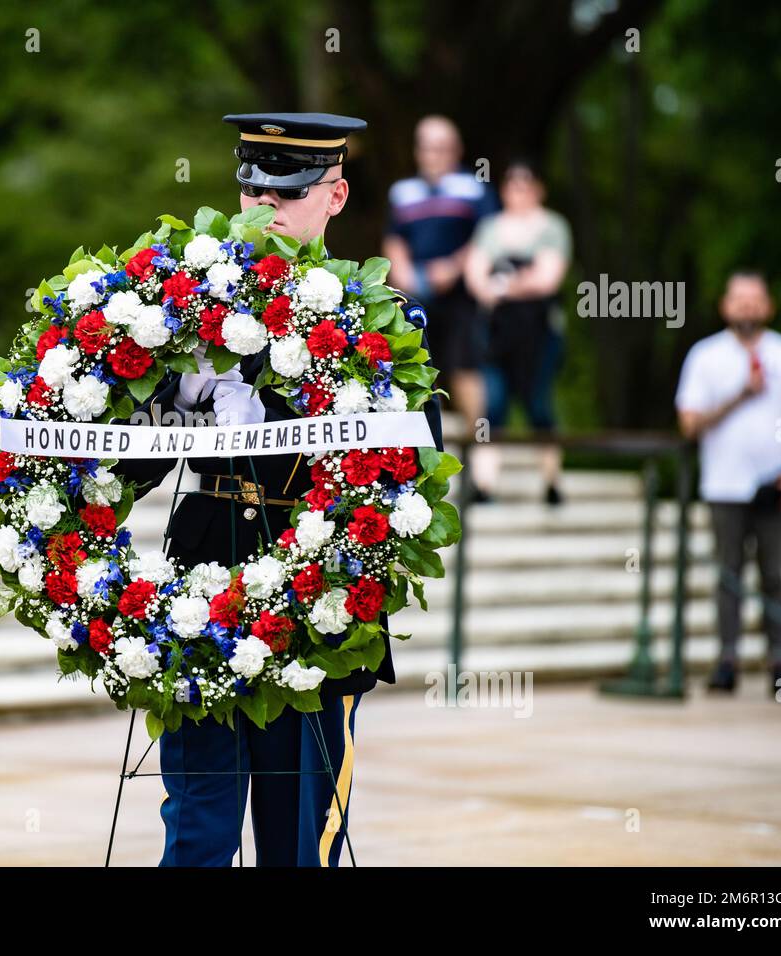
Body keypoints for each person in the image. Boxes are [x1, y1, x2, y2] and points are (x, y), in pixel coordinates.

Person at [113, 112, 443, 866]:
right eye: (253, 186)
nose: (266, 203)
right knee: (197, 832)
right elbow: (134, 467)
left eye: (288, 191)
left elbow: (413, 478)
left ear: (336, 196)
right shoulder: (184, 316)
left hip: (318, 604)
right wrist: (175, 386)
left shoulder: (380, 328)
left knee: (300, 841)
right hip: (203, 592)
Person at [674, 270, 781, 699]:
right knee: (728, 575)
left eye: (755, 299)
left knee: (774, 575)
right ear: (725, 305)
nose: (748, 307)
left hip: (776, 484)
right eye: (740, 299)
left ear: (768, 305)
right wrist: (740, 394)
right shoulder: (705, 356)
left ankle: (779, 661)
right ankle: (727, 659)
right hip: (724, 484)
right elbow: (689, 424)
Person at [383, 115, 497, 498]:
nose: (433, 155)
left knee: (466, 374)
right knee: (416, 372)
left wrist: (453, 267)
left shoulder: (473, 187)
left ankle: (482, 471)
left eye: (441, 147)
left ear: (456, 150)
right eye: (427, 146)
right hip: (416, 298)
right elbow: (394, 239)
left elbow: (488, 235)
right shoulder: (403, 191)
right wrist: (406, 274)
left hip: (462, 298)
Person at [462, 158, 572, 505]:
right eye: (512, 183)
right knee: (492, 406)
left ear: (539, 188)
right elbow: (474, 275)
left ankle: (552, 481)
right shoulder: (491, 226)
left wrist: (503, 284)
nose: (518, 190)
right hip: (497, 333)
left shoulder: (553, 226)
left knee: (539, 406)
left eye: (526, 183)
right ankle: (484, 484)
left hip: (539, 334)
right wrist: (511, 282)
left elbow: (548, 279)